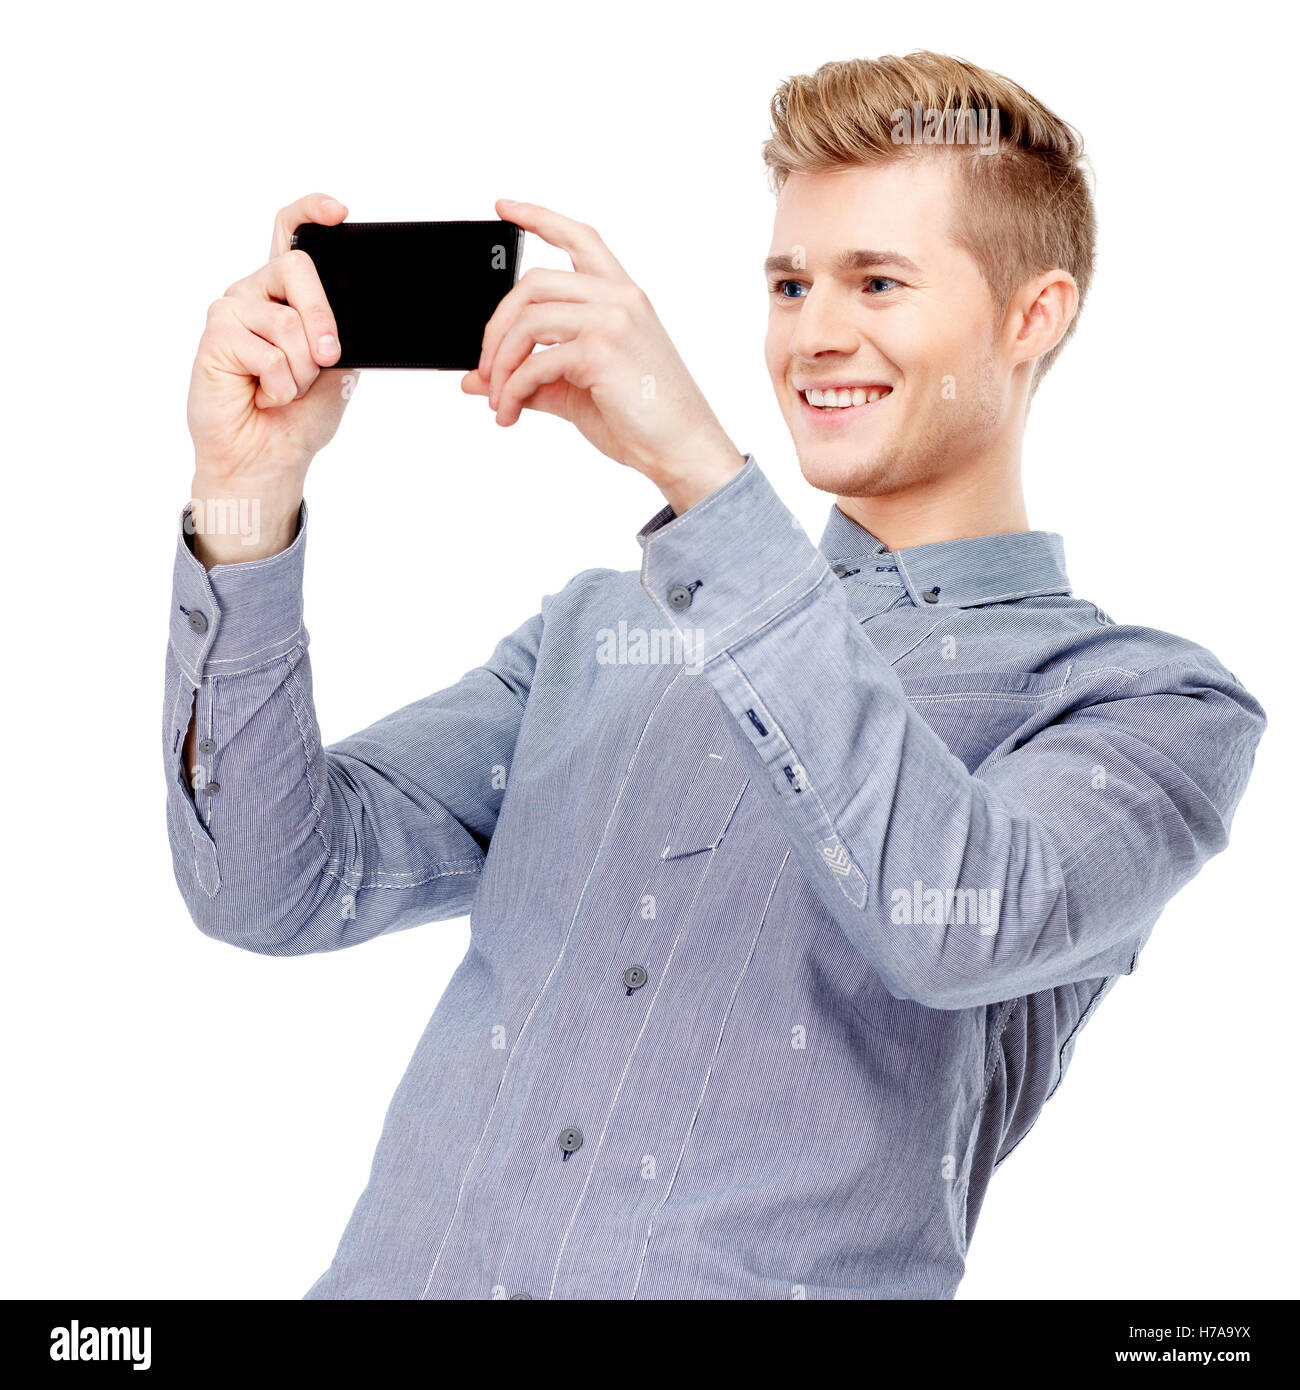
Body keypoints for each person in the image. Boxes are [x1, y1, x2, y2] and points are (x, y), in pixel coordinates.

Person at [163, 51, 1266, 1299]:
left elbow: (952, 918)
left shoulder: (1148, 703)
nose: (814, 334)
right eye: (789, 282)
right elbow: (271, 885)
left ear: (1032, 316)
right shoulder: (600, 633)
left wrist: (700, 476)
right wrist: (248, 493)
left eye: (878, 281)